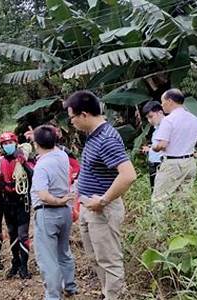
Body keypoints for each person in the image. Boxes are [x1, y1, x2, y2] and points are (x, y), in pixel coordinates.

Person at [64, 91, 137, 299]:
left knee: (109, 260)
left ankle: (116, 295)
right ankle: (107, 293)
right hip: (89, 208)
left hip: (102, 209)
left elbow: (129, 175)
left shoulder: (106, 138)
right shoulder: (93, 135)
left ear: (84, 114)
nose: (72, 123)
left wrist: (103, 200)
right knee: (96, 257)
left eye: (72, 117)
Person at [30, 125, 78, 299]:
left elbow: (43, 195)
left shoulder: (42, 166)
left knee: (47, 258)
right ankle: (70, 286)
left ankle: (52, 295)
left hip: (48, 212)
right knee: (63, 251)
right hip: (65, 213)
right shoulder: (62, 156)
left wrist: (58, 201)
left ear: (36, 144)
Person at [151, 88, 197, 208]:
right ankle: (182, 223)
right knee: (183, 200)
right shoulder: (194, 119)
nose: (162, 105)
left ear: (170, 101)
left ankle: (159, 226)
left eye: (163, 102)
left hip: (172, 163)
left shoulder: (168, 120)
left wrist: (154, 147)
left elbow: (162, 145)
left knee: (159, 199)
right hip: (190, 162)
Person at [0, 131, 34, 278]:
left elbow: (34, 174)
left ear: (15, 143)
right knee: (12, 234)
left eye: (10, 143)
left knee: (23, 235)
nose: (7, 146)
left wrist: (24, 163)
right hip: (7, 203)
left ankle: (24, 267)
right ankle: (15, 263)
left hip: (22, 202)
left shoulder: (24, 158)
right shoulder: (0, 162)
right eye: (4, 144)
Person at [141, 101, 165, 188]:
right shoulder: (156, 129)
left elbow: (164, 145)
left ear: (160, 113)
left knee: (160, 192)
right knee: (154, 190)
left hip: (161, 163)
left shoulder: (167, 126)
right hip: (153, 163)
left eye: (151, 116)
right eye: (147, 118)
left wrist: (150, 149)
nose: (149, 120)